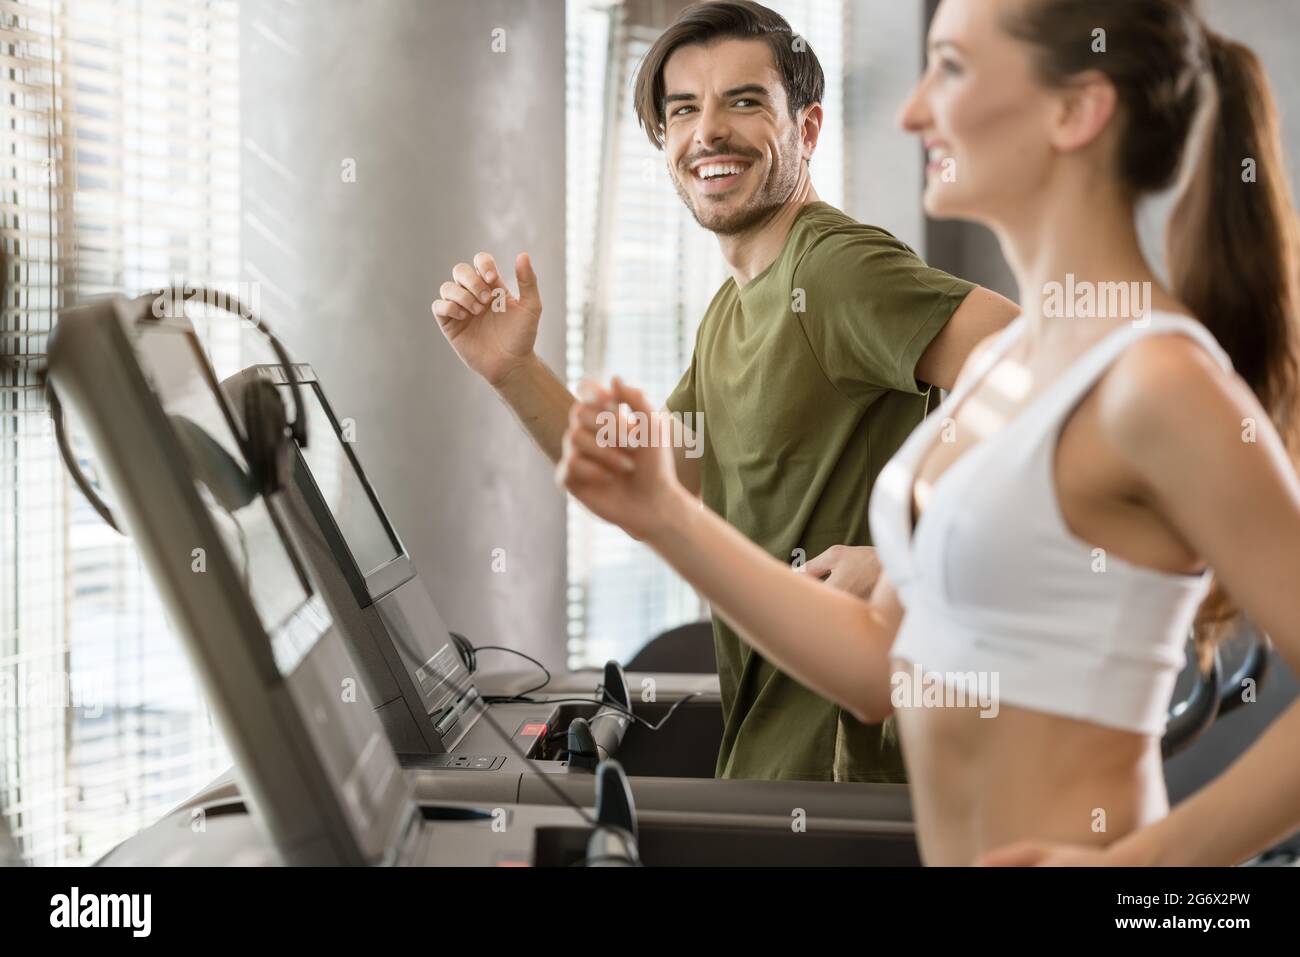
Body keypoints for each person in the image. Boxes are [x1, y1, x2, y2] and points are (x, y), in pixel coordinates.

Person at [557, 0, 1300, 865]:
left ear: (1075, 109)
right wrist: (662, 514)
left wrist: (1138, 871)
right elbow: (876, 672)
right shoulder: (1004, 368)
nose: (911, 111)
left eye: (949, 68)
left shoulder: (1155, 379)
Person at [432, 1, 1017, 784]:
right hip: (768, 752)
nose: (708, 131)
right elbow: (659, 475)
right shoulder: (735, 307)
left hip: (850, 777)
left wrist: (913, 558)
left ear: (805, 131)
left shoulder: (833, 270)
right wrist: (513, 368)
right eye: (684, 110)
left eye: (744, 101)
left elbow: (1052, 370)